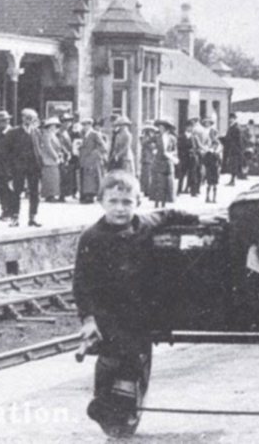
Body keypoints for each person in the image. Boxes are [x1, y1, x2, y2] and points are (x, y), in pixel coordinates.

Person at [74, 170, 219, 437]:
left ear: (137, 203)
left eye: (127, 202)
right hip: (108, 310)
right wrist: (88, 319)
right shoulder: (91, 238)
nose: (120, 208)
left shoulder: (144, 224)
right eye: (114, 201)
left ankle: (122, 406)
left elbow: (169, 214)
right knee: (113, 355)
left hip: (141, 309)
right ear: (101, 202)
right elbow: (82, 285)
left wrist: (200, 218)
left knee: (133, 357)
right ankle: (107, 400)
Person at [0, 109, 44, 227]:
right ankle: (15, 217)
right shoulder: (13, 133)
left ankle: (32, 217)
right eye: (26, 117)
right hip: (18, 167)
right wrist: (8, 171)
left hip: (33, 167)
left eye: (31, 118)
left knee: (35, 193)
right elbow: (5, 153)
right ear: (22, 118)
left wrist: (40, 167)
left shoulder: (37, 133)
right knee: (16, 192)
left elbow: (39, 150)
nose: (28, 120)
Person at [76, 116, 107, 203]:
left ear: (90, 125)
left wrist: (95, 153)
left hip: (91, 161)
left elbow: (103, 146)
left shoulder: (94, 134)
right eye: (83, 125)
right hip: (83, 159)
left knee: (90, 179)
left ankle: (90, 196)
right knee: (85, 178)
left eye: (87, 124)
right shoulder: (83, 135)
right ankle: (84, 195)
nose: (85, 126)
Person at [38, 117, 64, 202]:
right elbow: (48, 147)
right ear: (49, 126)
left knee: (54, 177)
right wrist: (56, 156)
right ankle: (49, 195)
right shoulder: (47, 134)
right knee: (49, 177)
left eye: (56, 126)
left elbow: (57, 146)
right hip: (48, 159)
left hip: (53, 159)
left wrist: (59, 154)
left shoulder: (53, 134)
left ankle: (52, 194)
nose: (55, 127)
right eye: (53, 126)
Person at [220, 115, 243, 187]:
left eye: (232, 119)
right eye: (230, 119)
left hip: (234, 149)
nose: (230, 120)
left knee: (234, 165)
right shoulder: (231, 127)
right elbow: (228, 138)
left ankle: (233, 180)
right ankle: (232, 180)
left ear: (235, 119)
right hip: (231, 149)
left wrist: (238, 149)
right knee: (232, 164)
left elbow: (238, 140)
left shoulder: (236, 128)